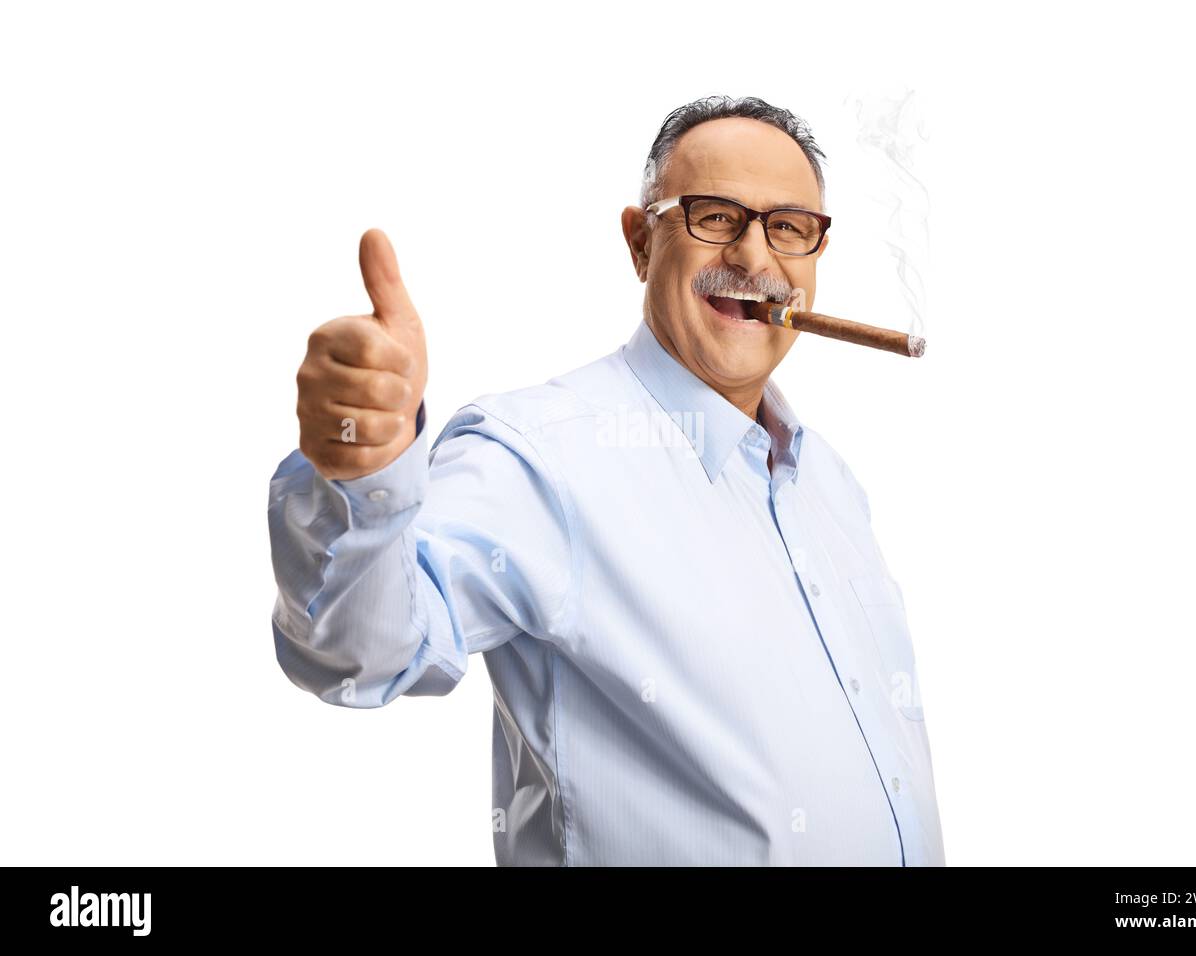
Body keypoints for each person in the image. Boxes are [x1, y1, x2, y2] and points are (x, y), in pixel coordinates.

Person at [268, 95, 945, 866]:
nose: (758, 260)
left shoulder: (829, 482)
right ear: (639, 242)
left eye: (789, 226)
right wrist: (359, 471)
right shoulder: (542, 456)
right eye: (716, 217)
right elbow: (360, 652)